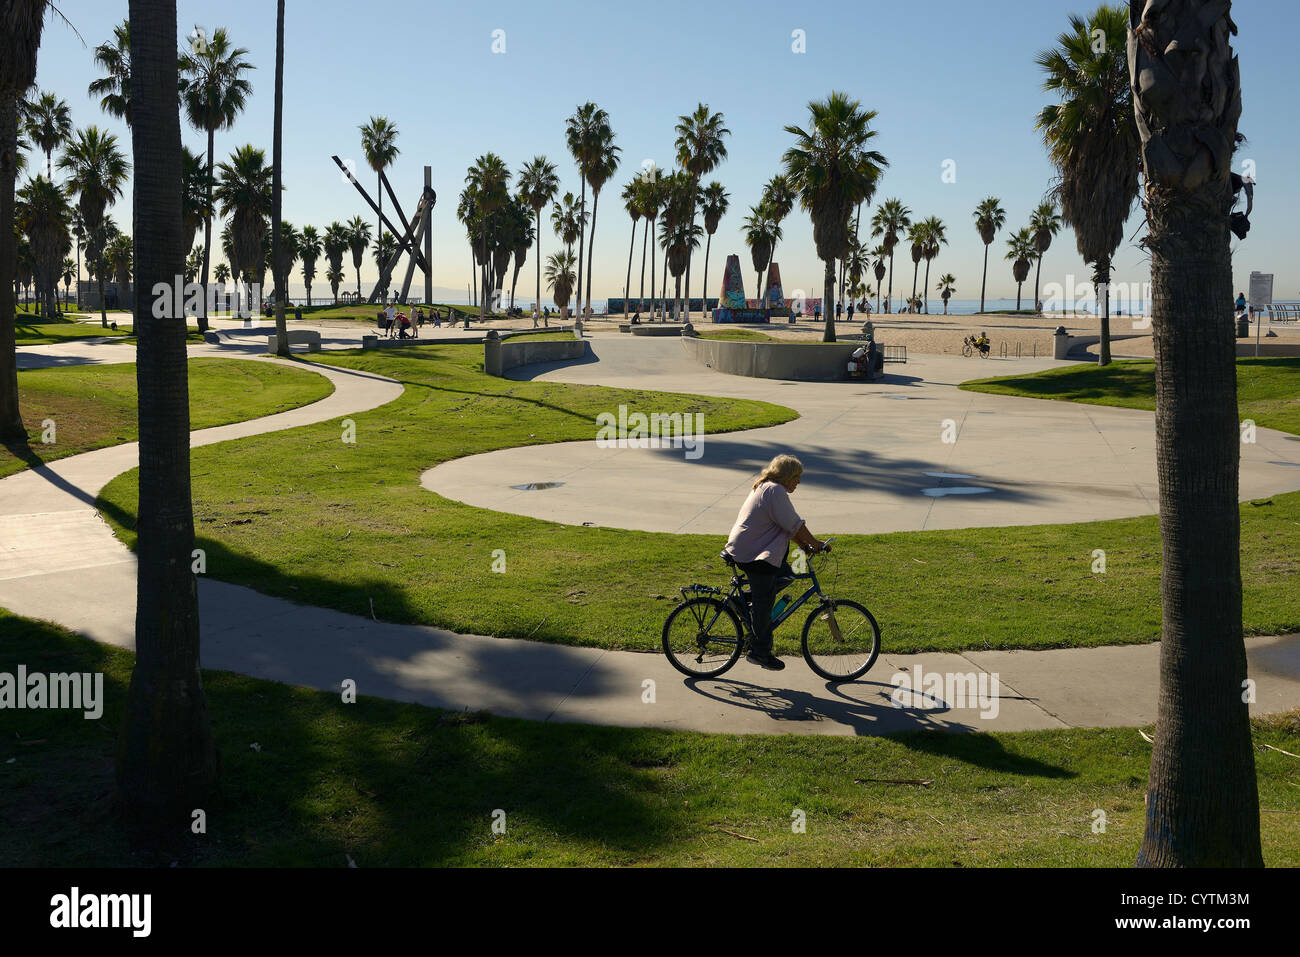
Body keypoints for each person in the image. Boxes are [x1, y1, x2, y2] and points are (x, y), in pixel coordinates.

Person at [724, 455, 828, 671]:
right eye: (797, 477)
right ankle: (760, 652)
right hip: (754, 554)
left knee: (787, 574)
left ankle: (742, 601)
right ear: (787, 476)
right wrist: (816, 544)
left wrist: (804, 545)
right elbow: (794, 523)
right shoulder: (774, 490)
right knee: (764, 603)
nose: (798, 482)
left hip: (754, 550)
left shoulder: (767, 487)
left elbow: (787, 526)